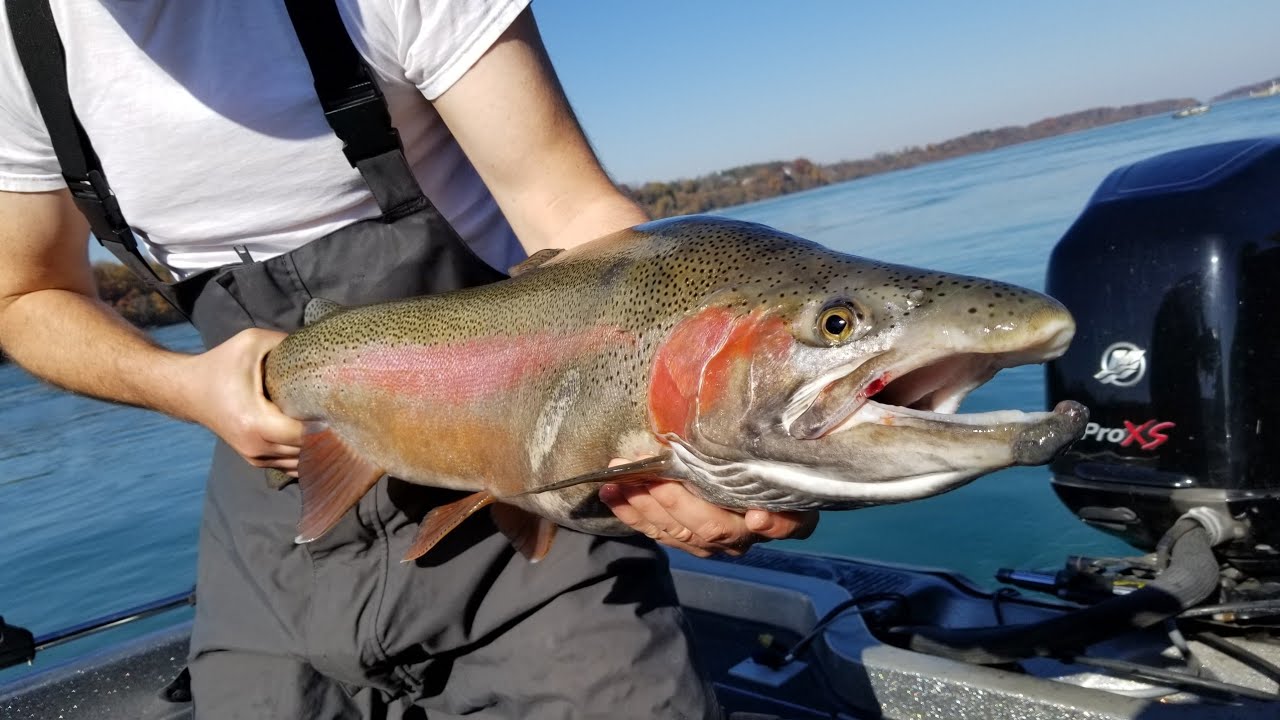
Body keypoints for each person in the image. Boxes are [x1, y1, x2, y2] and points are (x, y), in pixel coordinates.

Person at [0, 1, 816, 717]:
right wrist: (184, 385)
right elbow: (24, 296)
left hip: (522, 473)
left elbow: (568, 208)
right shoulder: (17, 47)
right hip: (273, 502)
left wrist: (697, 450)